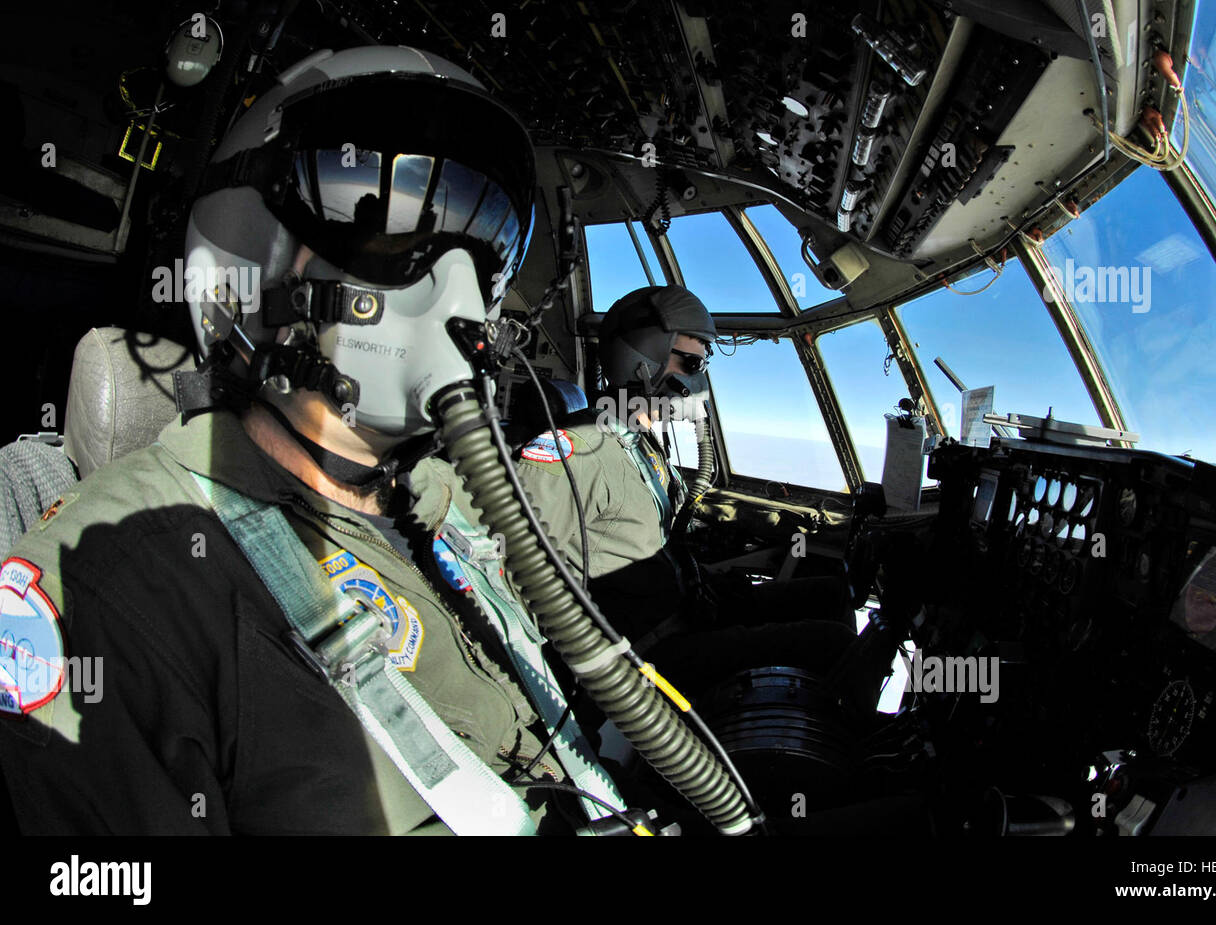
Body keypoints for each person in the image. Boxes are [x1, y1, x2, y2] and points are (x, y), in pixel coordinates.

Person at [0, 46, 621, 835]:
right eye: (397, 232)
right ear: (248, 261)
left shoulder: (450, 501)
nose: (458, 295)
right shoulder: (112, 585)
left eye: (482, 245)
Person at [516, 285, 854, 693]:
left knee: (831, 594)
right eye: (691, 363)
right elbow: (514, 576)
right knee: (831, 645)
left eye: (704, 363)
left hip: (688, 606)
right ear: (641, 357)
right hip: (648, 652)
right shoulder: (576, 452)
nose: (699, 380)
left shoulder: (641, 442)